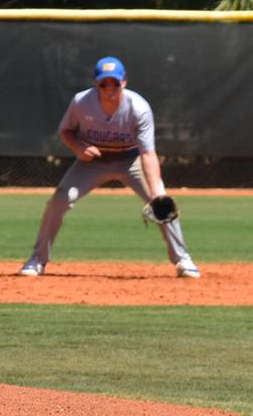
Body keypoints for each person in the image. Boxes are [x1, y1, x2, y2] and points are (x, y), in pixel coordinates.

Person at [18, 57, 198, 278]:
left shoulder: (138, 108)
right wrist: (78, 149)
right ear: (96, 84)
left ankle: (183, 260)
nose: (110, 88)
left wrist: (155, 194)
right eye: (104, 83)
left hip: (131, 160)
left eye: (115, 82)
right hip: (92, 162)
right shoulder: (81, 103)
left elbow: (148, 154)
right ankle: (37, 260)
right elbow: (66, 131)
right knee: (60, 199)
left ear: (124, 83)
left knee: (161, 201)